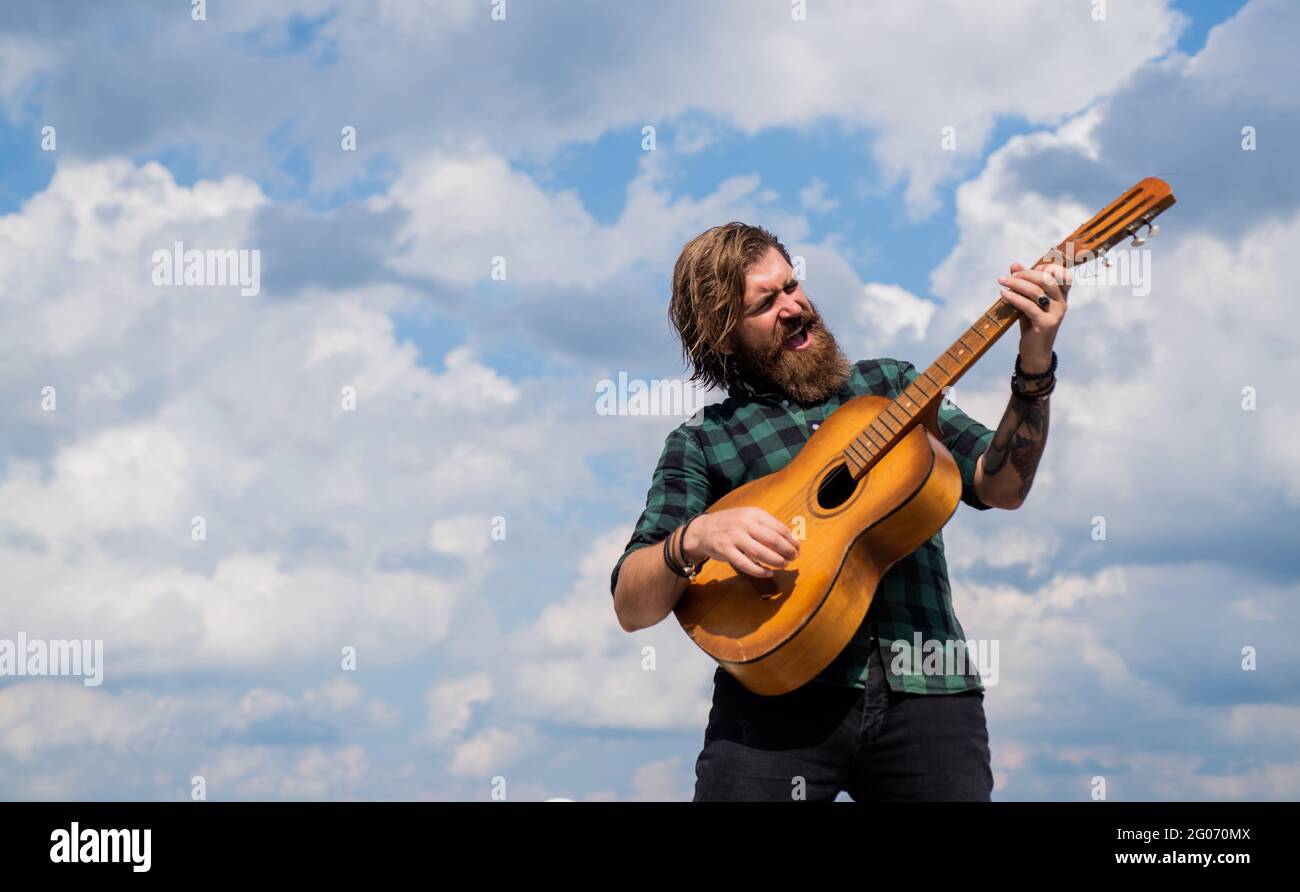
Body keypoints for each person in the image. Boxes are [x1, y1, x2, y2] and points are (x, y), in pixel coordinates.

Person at [610, 223, 1068, 801]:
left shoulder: (893, 388)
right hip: (773, 703)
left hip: (928, 686)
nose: (795, 307)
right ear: (725, 337)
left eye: (792, 286)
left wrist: (1035, 359)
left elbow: (1002, 485)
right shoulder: (703, 441)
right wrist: (694, 538)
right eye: (766, 302)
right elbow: (632, 604)